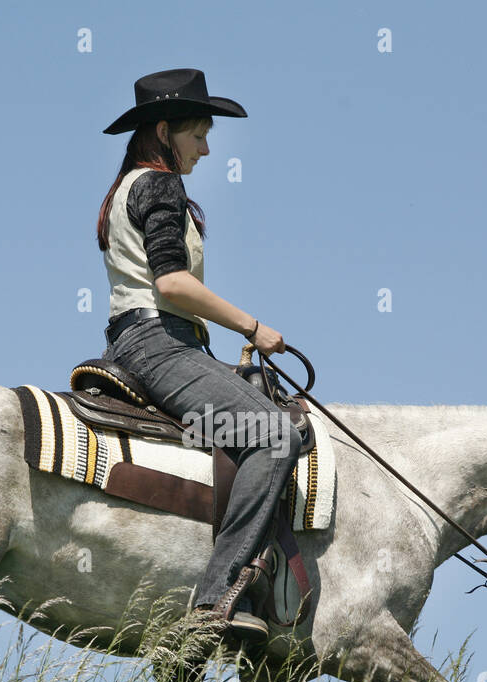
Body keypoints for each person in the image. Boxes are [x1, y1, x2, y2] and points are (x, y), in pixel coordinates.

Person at [96, 68, 301, 642]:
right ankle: (215, 601)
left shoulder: (128, 186)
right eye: (198, 135)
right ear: (164, 131)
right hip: (157, 340)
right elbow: (172, 286)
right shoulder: (159, 187)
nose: (208, 149)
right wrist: (253, 326)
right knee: (276, 435)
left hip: (158, 339)